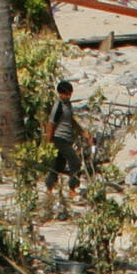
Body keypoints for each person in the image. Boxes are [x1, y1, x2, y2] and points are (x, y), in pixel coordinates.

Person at [47, 77, 82, 205]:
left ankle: (49, 188)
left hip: (67, 138)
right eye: (67, 94)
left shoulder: (68, 104)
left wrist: (83, 132)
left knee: (58, 165)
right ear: (60, 93)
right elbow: (51, 123)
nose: (69, 96)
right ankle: (72, 189)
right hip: (59, 138)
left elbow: (71, 121)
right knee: (75, 162)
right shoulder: (58, 107)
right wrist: (49, 141)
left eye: (70, 94)